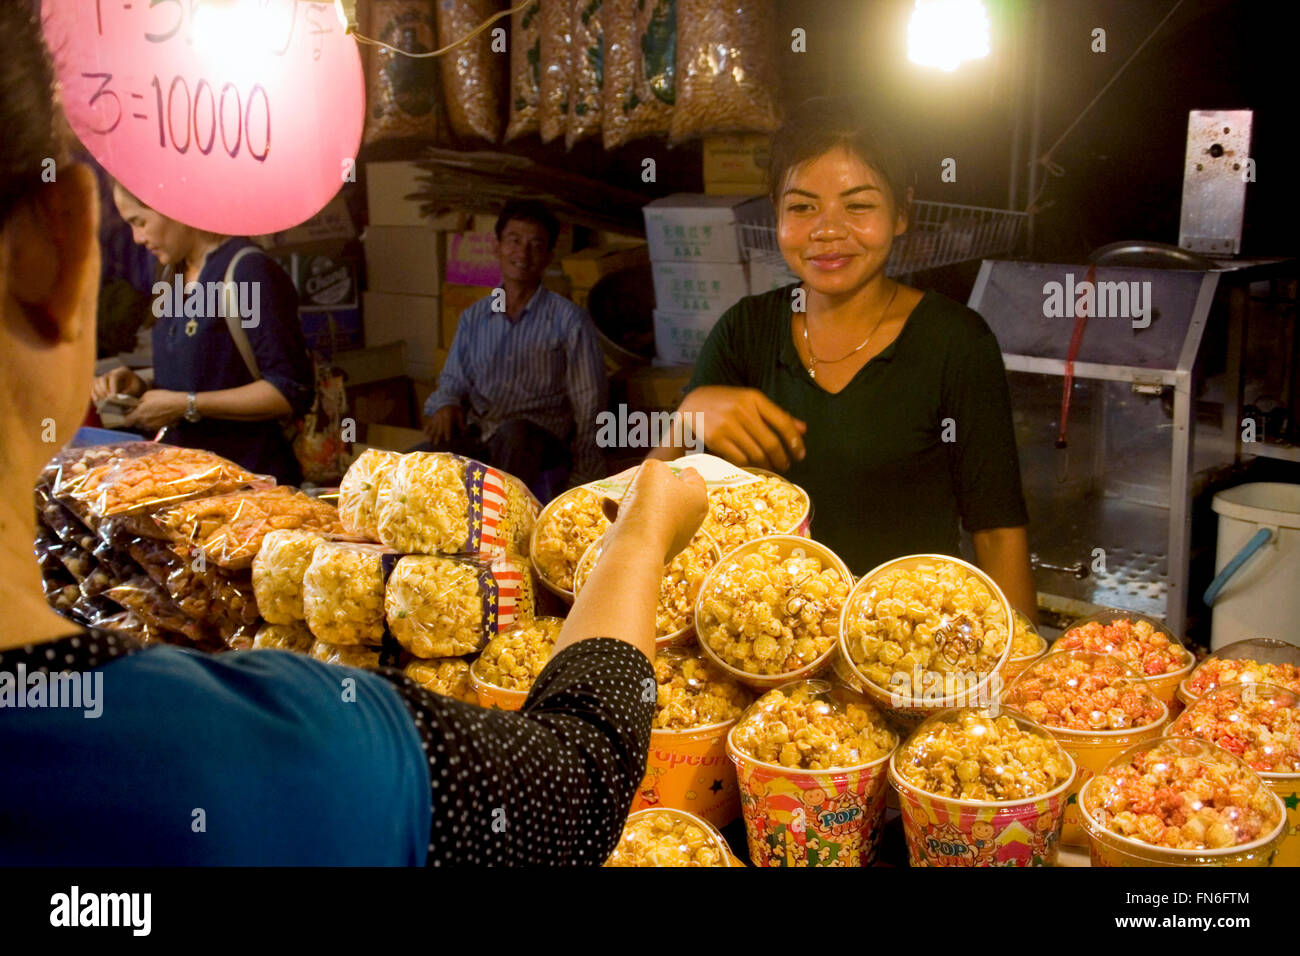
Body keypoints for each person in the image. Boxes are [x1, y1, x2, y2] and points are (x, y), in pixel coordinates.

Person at [0, 3, 707, 866]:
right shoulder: (299, 748)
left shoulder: (556, 320)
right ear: (62, 245)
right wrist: (641, 526)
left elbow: (583, 405)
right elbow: (579, 785)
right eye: (508, 241)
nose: (139, 240)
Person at [653, 97, 1037, 622]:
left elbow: (996, 532)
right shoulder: (745, 330)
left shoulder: (956, 342)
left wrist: (1013, 674)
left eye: (858, 206)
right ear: (777, 215)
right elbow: (651, 505)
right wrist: (689, 414)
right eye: (802, 206)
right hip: (762, 643)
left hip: (908, 647)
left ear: (901, 213)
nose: (827, 230)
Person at [89, 186, 314, 485]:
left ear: (175, 208)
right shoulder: (170, 274)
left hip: (249, 484)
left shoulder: (247, 271)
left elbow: (288, 390)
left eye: (139, 222)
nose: (137, 238)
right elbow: (212, 365)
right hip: (185, 479)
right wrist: (140, 381)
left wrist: (187, 404)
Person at [421, 200, 608, 492]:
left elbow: (590, 402)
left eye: (535, 244)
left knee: (515, 434)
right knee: (417, 459)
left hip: (542, 440)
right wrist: (446, 403)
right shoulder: (475, 316)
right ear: (496, 246)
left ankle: (498, 529)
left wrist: (584, 474)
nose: (523, 253)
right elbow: (453, 379)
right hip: (484, 434)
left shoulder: (568, 319)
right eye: (514, 241)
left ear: (548, 255)